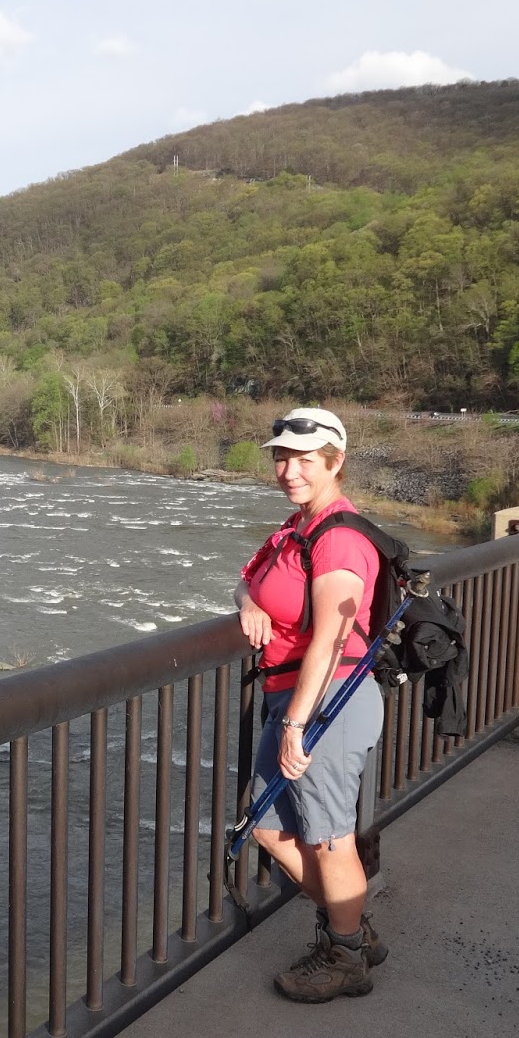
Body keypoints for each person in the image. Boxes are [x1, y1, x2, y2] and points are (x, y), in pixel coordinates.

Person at [233, 406, 388, 1002]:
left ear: (335, 462)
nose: (289, 471)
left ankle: (344, 957)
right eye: (281, 459)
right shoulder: (298, 528)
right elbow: (249, 576)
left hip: (327, 706)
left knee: (328, 837)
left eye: (304, 460)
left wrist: (298, 723)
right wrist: (250, 602)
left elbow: (329, 637)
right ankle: (352, 932)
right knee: (268, 827)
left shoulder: (340, 538)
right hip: (292, 699)